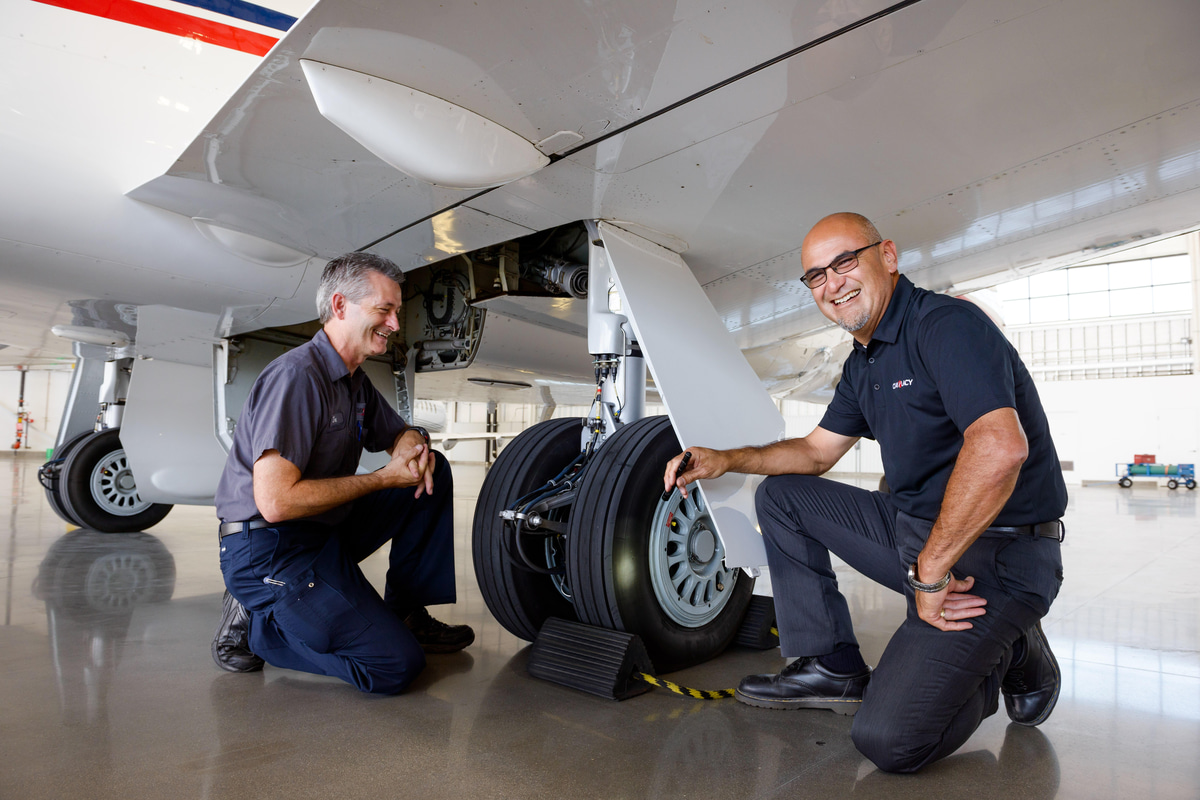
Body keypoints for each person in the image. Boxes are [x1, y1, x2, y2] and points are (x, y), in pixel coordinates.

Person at [663, 213, 1066, 773]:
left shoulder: (947, 326)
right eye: (815, 276)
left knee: (888, 742)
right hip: (919, 538)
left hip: (1000, 553)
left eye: (845, 262)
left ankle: (1012, 646)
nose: (832, 284)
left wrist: (929, 573)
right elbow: (815, 453)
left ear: (889, 257)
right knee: (783, 497)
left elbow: (1000, 449)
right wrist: (726, 459)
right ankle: (831, 665)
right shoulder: (864, 362)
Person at [211, 252, 473, 694]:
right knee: (395, 666)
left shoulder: (354, 381)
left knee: (434, 471)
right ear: (340, 306)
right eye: (384, 310)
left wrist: (411, 449)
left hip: (322, 533)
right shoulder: (297, 378)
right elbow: (276, 503)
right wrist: (383, 479)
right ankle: (264, 630)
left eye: (396, 311)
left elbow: (402, 434)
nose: (394, 323)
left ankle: (407, 609)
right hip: (270, 548)